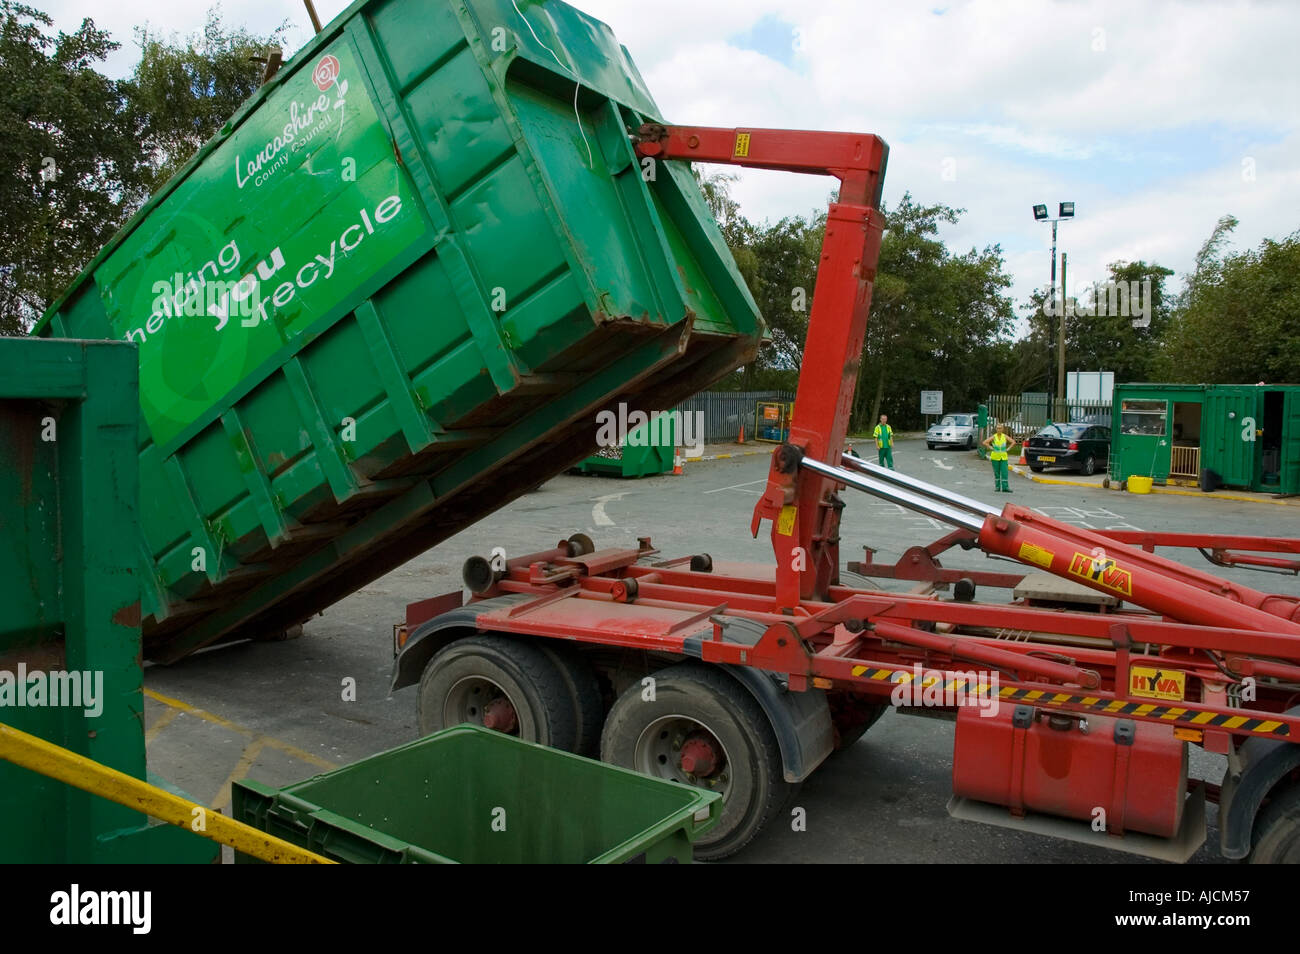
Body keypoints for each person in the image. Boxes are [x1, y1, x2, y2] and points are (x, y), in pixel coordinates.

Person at [981, 424, 1018, 492]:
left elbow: (1013, 442)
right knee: (997, 473)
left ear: (1003, 429)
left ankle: (1005, 488)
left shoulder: (1004, 436)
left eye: (1000, 428)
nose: (999, 429)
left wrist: (1008, 449)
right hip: (995, 457)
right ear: (996, 429)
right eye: (998, 428)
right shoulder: (994, 437)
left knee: (1004, 472)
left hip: (1003, 457)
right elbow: (985, 442)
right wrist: (991, 448)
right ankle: (997, 487)